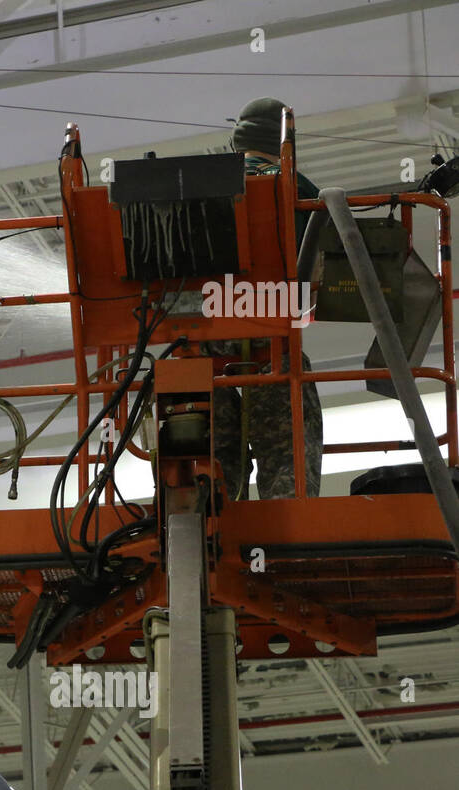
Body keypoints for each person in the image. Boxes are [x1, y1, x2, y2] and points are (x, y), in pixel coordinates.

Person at [210, 97, 323, 499]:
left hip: (201, 356)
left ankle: (205, 517)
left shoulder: (199, 182)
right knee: (289, 455)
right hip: (273, 348)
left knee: (208, 466)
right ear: (284, 140)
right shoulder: (296, 186)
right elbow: (319, 271)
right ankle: (290, 519)